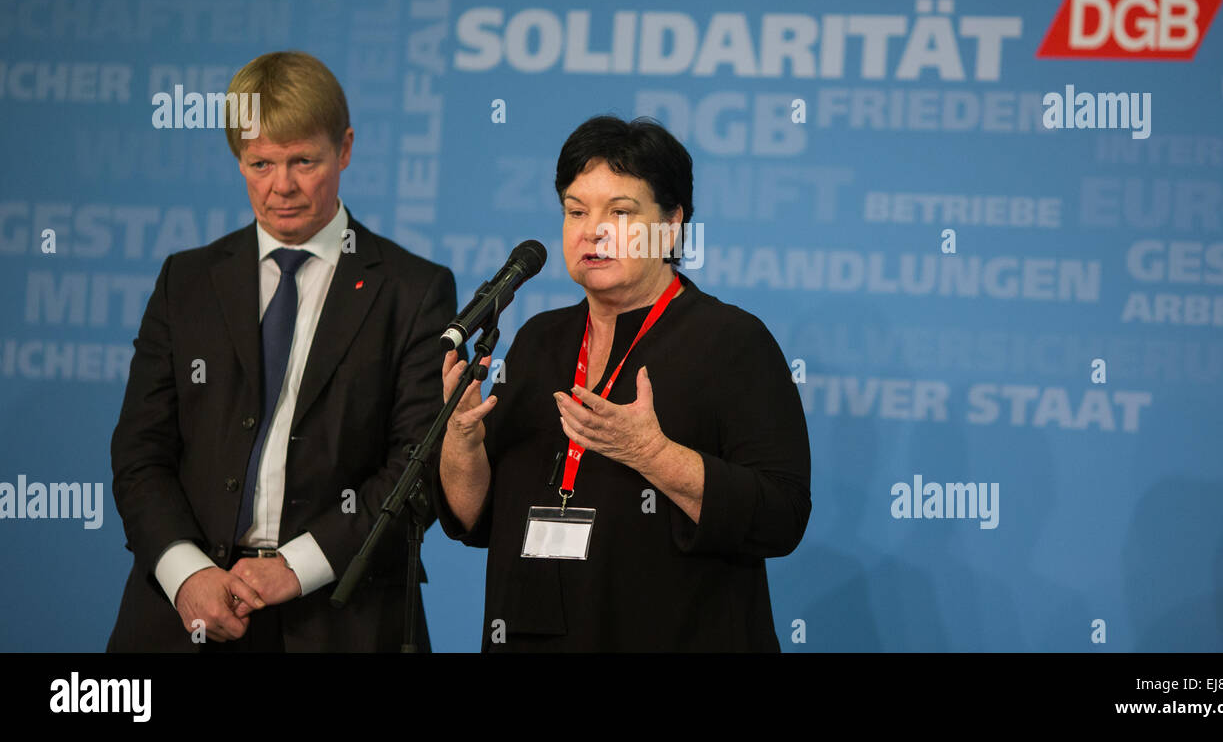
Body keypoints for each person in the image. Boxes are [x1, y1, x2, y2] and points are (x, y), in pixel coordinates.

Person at [107, 51, 456, 652]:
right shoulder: (185, 281)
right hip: (182, 613)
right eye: (260, 163)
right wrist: (185, 573)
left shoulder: (413, 290)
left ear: (344, 149)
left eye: (304, 161)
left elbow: (416, 467)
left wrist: (298, 565)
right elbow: (140, 452)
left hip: (342, 614)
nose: (282, 187)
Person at [435, 115, 811, 651]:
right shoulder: (540, 340)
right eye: (575, 211)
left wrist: (652, 453)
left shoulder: (733, 342)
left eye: (620, 211)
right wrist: (462, 443)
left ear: (672, 223)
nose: (593, 230)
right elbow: (473, 515)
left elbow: (782, 517)